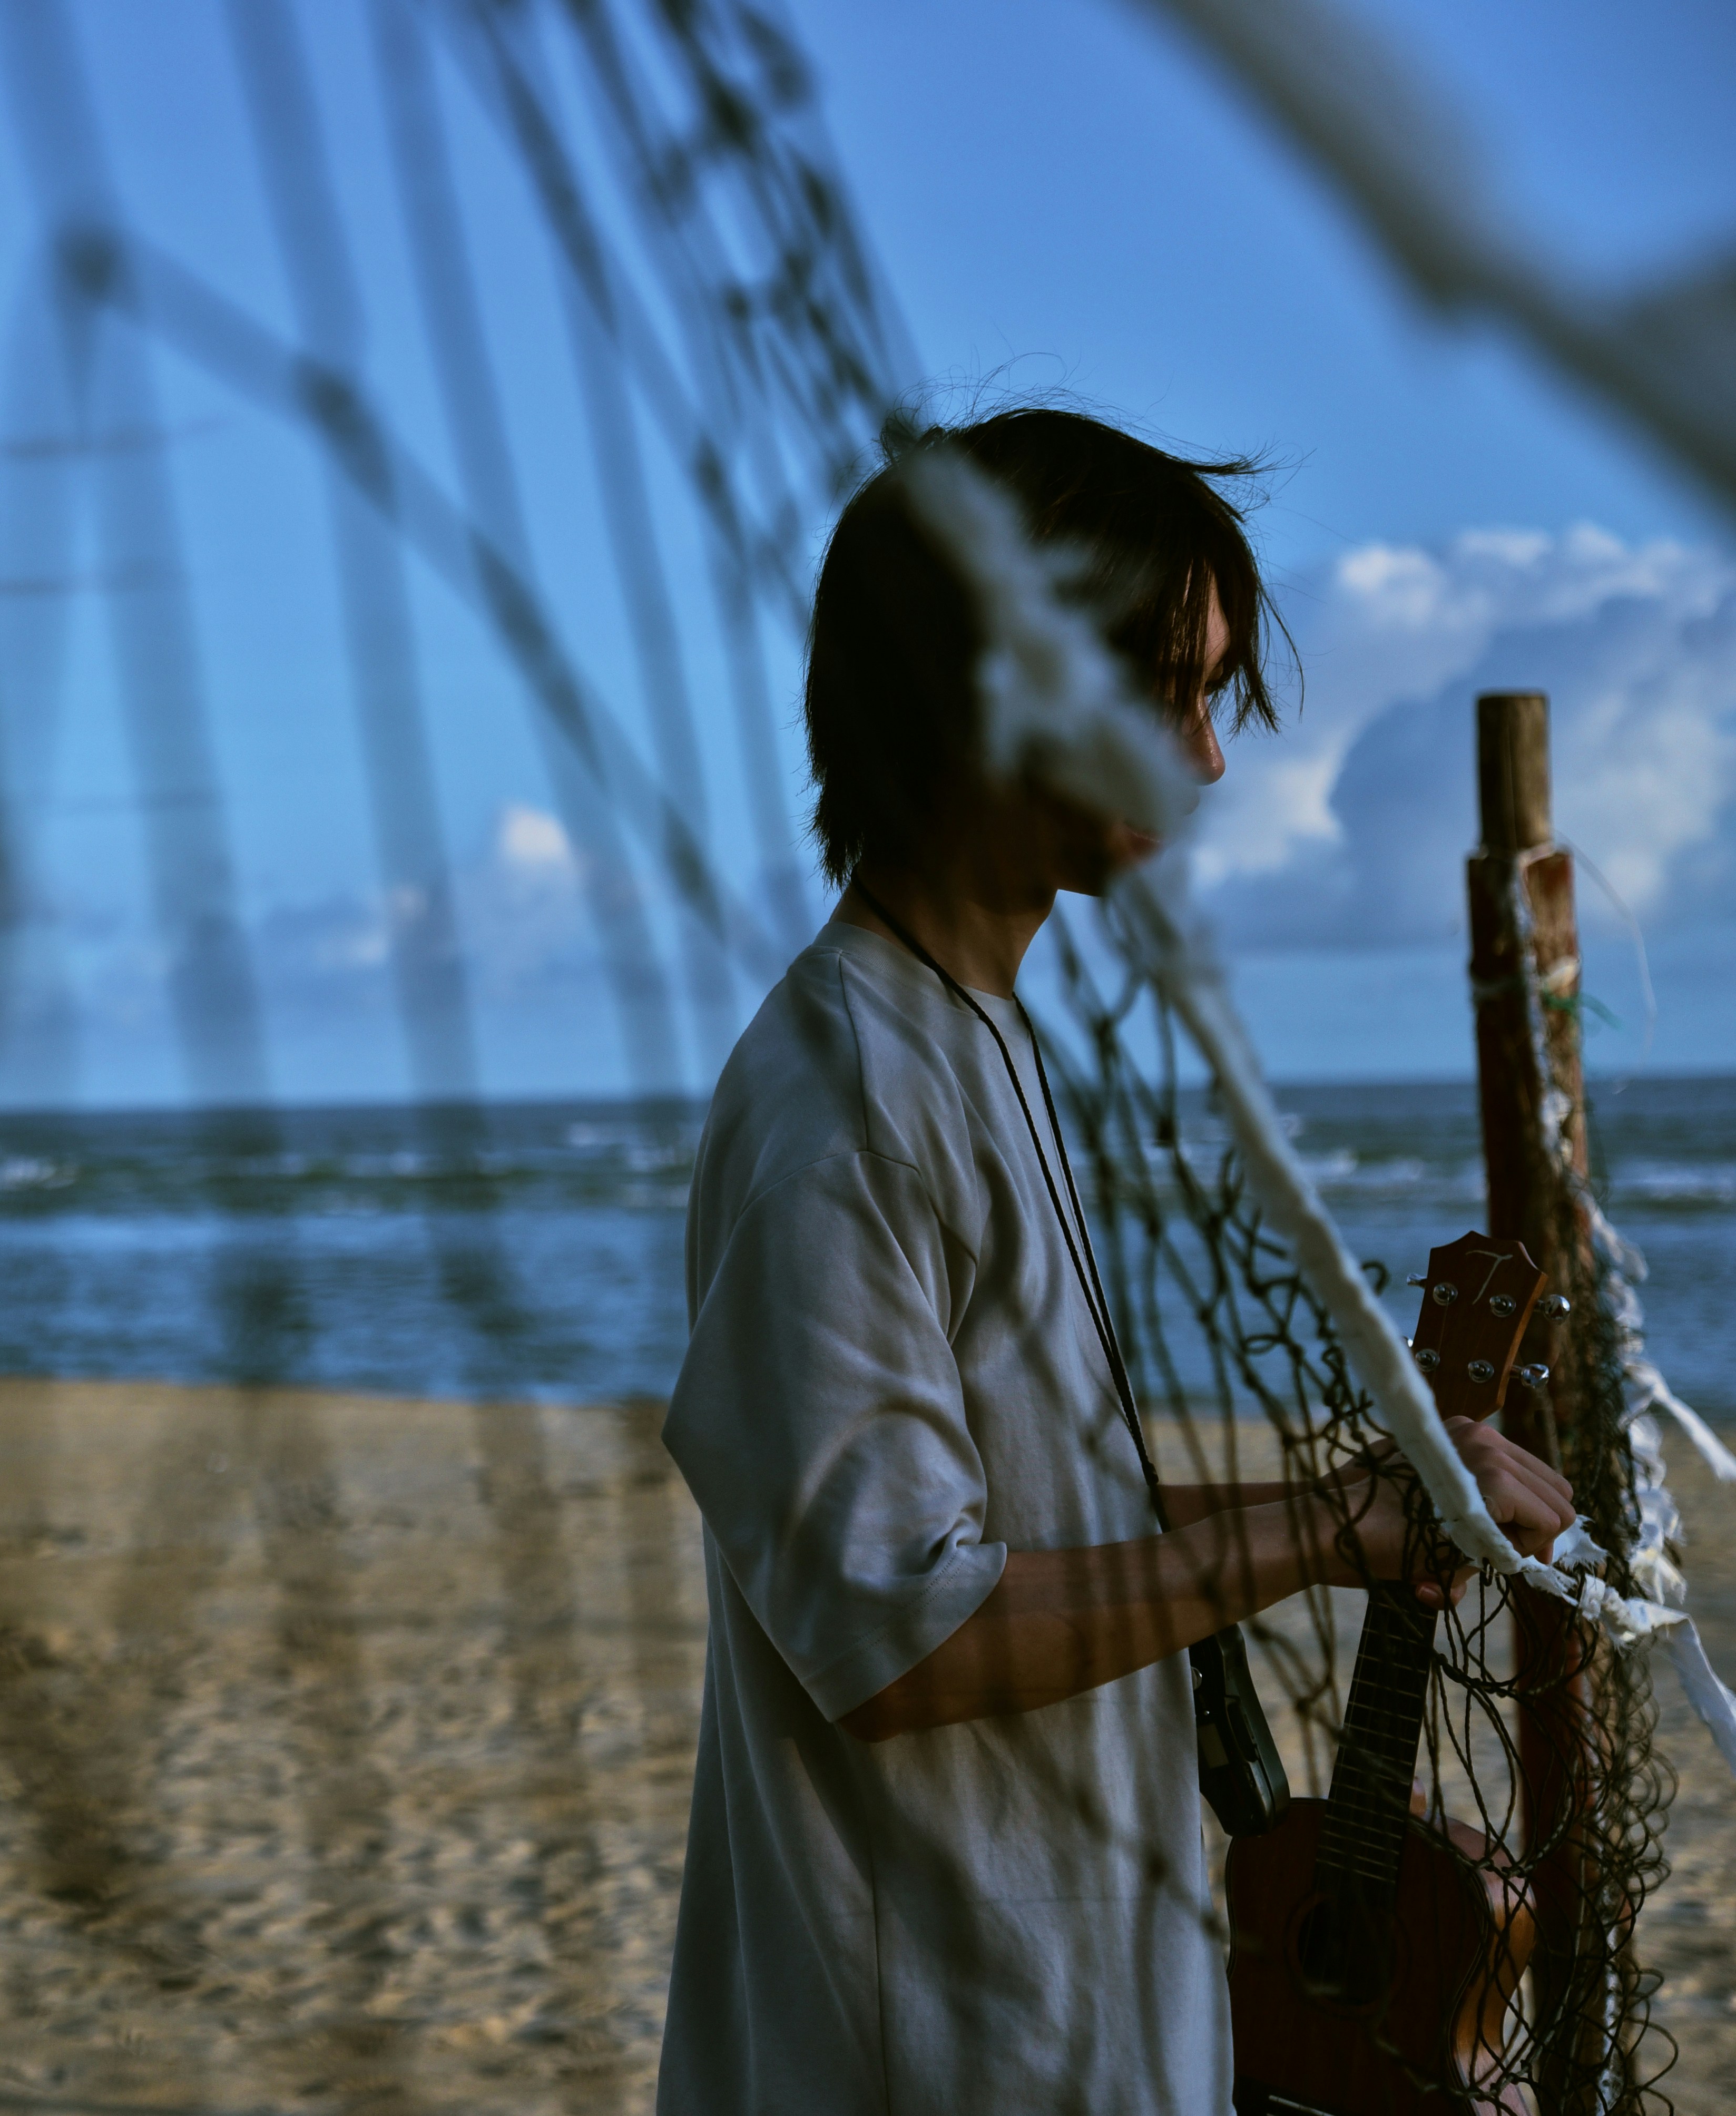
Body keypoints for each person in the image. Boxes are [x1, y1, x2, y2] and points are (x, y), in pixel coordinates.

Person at [651, 408, 1575, 2115]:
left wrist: (1371, 1510)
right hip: (923, 2053)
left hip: (1064, 2030)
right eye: (1173, 691)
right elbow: (901, 1636)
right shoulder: (842, 1100)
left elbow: (1020, 1554)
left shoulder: (970, 1034)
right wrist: (1322, 1532)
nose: (1210, 759)